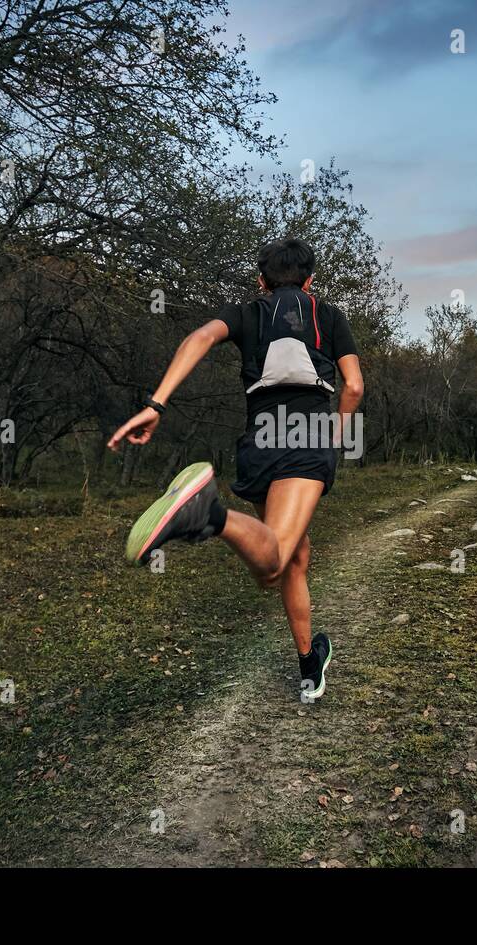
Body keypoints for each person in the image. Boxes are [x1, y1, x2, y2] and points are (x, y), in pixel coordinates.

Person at [107, 238, 364, 701]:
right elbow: (355, 387)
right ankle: (209, 515)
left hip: (260, 440)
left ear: (260, 280)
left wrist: (156, 404)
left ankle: (310, 663)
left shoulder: (247, 312)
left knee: (296, 555)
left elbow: (200, 338)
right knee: (273, 566)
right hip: (306, 437)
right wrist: (336, 435)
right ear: (310, 281)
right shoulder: (328, 315)